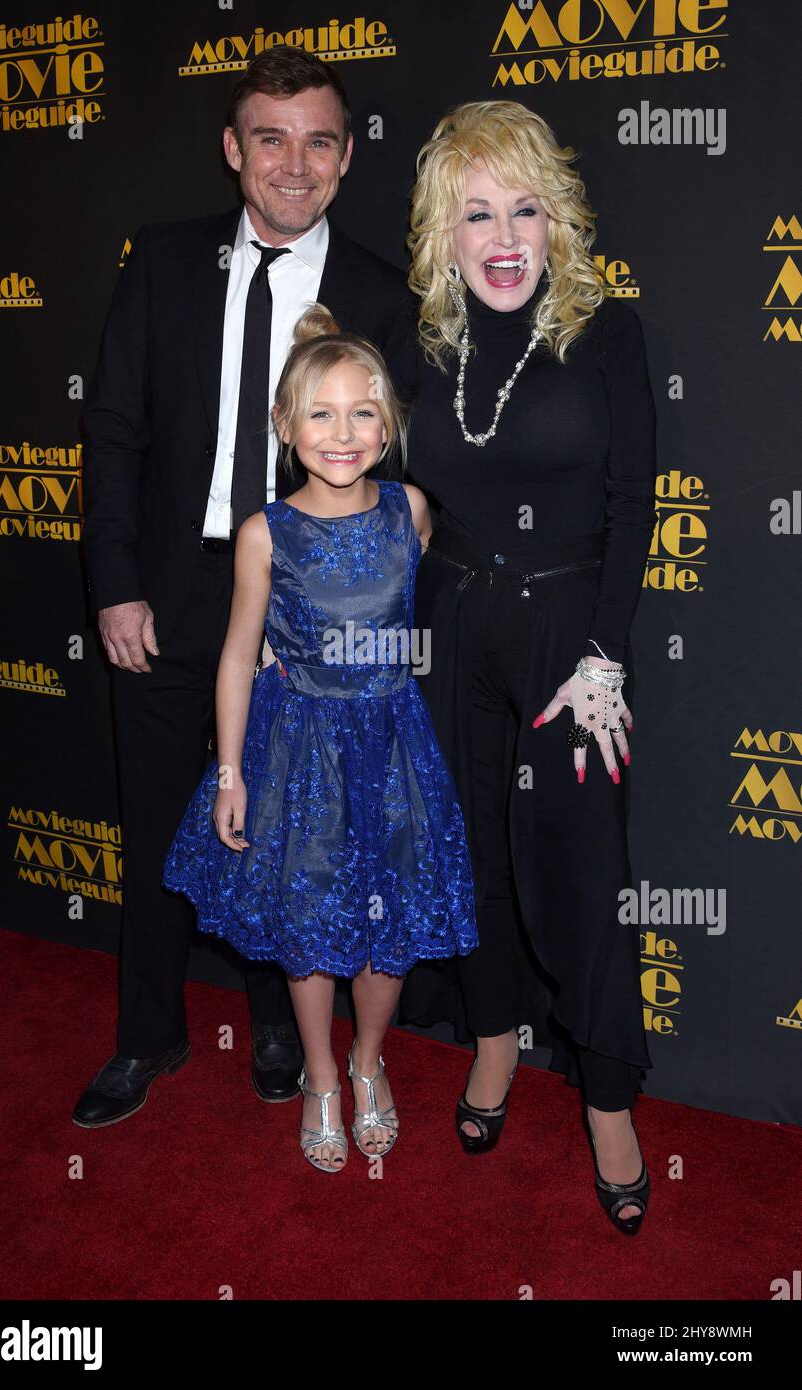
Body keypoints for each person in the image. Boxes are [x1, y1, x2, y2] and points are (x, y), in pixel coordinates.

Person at [73, 46, 413, 1129]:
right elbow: (115, 430)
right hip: (173, 590)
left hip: (309, 603)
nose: (293, 162)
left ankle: (278, 1028)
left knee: (292, 829)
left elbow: (391, 467)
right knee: (155, 821)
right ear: (233, 149)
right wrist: (116, 583)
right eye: (270, 137)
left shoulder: (376, 289)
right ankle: (148, 1034)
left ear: (347, 155)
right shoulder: (164, 261)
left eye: (318, 140)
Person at [393, 100, 658, 1233]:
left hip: (569, 641)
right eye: (475, 212)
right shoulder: (418, 341)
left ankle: (606, 1101)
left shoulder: (607, 331)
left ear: (556, 218)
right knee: (471, 861)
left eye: (524, 208)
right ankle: (492, 1042)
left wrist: (604, 654)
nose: (502, 236)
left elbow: (631, 503)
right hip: (451, 623)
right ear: (440, 232)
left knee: (582, 879)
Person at [161, 306, 478, 1172]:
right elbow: (236, 653)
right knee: (311, 922)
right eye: (322, 415)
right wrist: (230, 772)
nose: (343, 434)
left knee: (389, 918)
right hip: (298, 746)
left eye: (363, 412)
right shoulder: (264, 532)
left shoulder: (411, 511)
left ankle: (371, 1063)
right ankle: (322, 1074)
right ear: (285, 426)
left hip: (391, 742)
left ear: (389, 424)